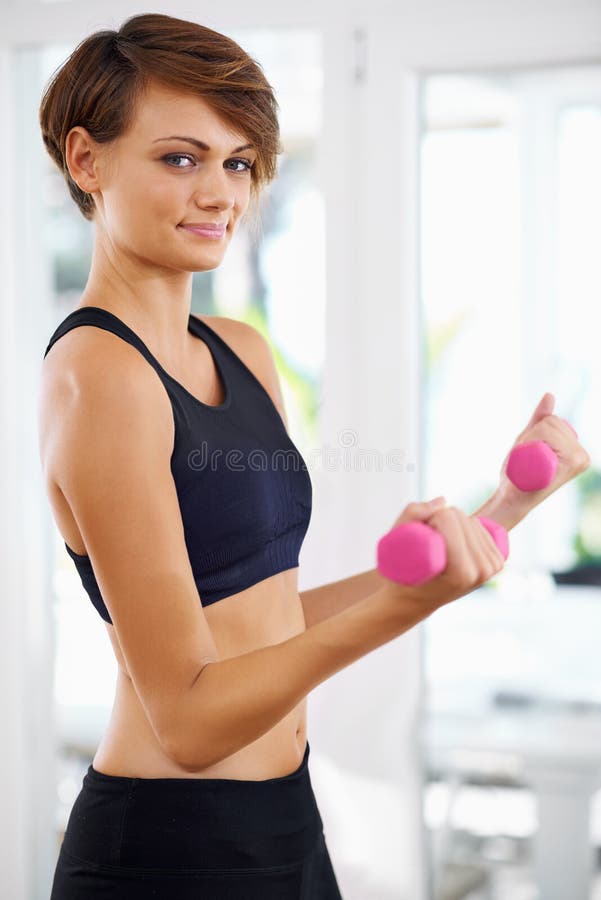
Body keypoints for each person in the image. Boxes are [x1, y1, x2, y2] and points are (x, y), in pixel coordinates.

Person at [37, 12, 590, 900]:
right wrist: (407, 604)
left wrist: (500, 513)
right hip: (171, 849)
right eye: (180, 158)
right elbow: (187, 719)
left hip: (286, 820)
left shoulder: (239, 350)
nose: (219, 193)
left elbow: (266, 624)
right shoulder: (99, 375)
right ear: (86, 160)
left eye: (237, 163)